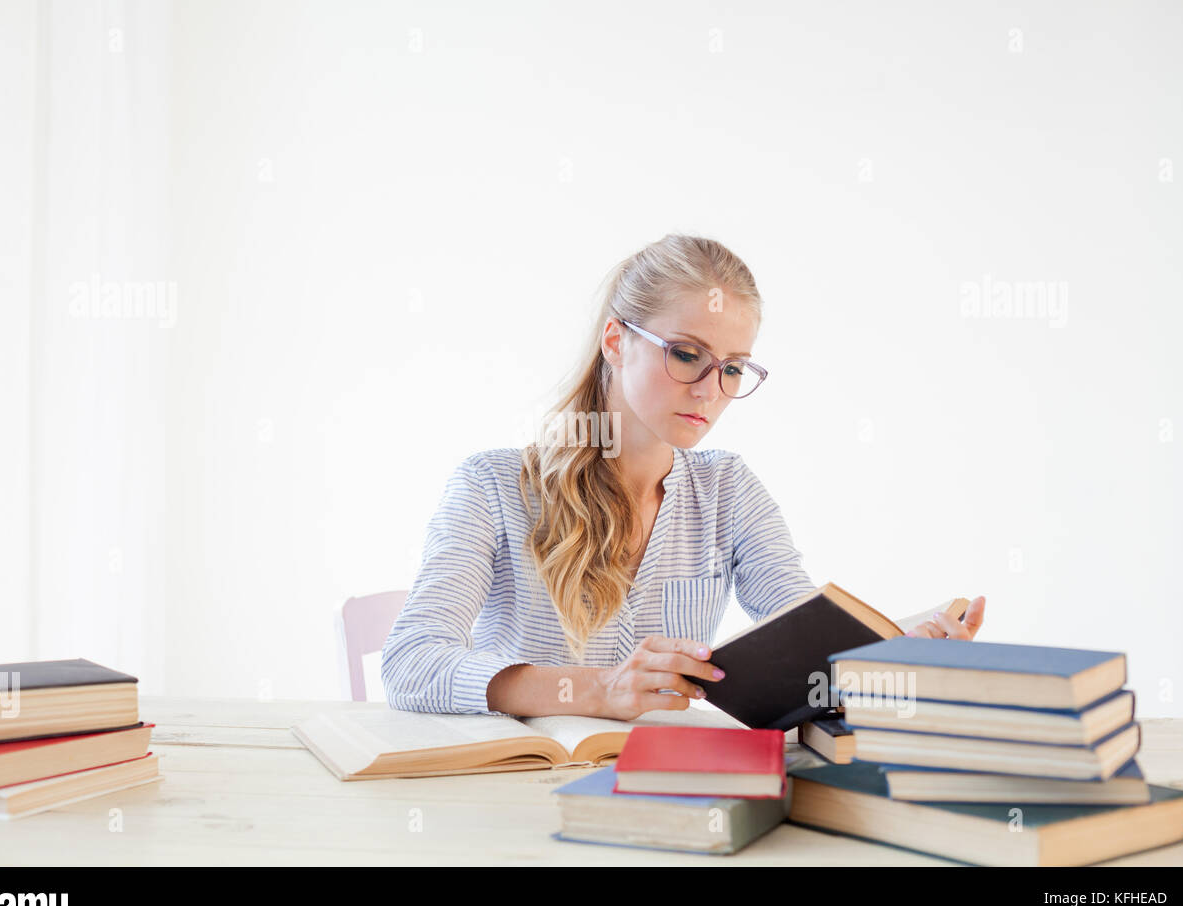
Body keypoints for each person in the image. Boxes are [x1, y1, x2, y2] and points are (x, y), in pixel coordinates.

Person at [381, 234, 985, 721]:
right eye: (687, 354)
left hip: (662, 789)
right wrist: (598, 691)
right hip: (514, 796)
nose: (709, 389)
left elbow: (801, 630)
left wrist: (901, 640)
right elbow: (411, 664)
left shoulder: (727, 491)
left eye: (733, 367)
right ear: (616, 341)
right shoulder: (492, 485)